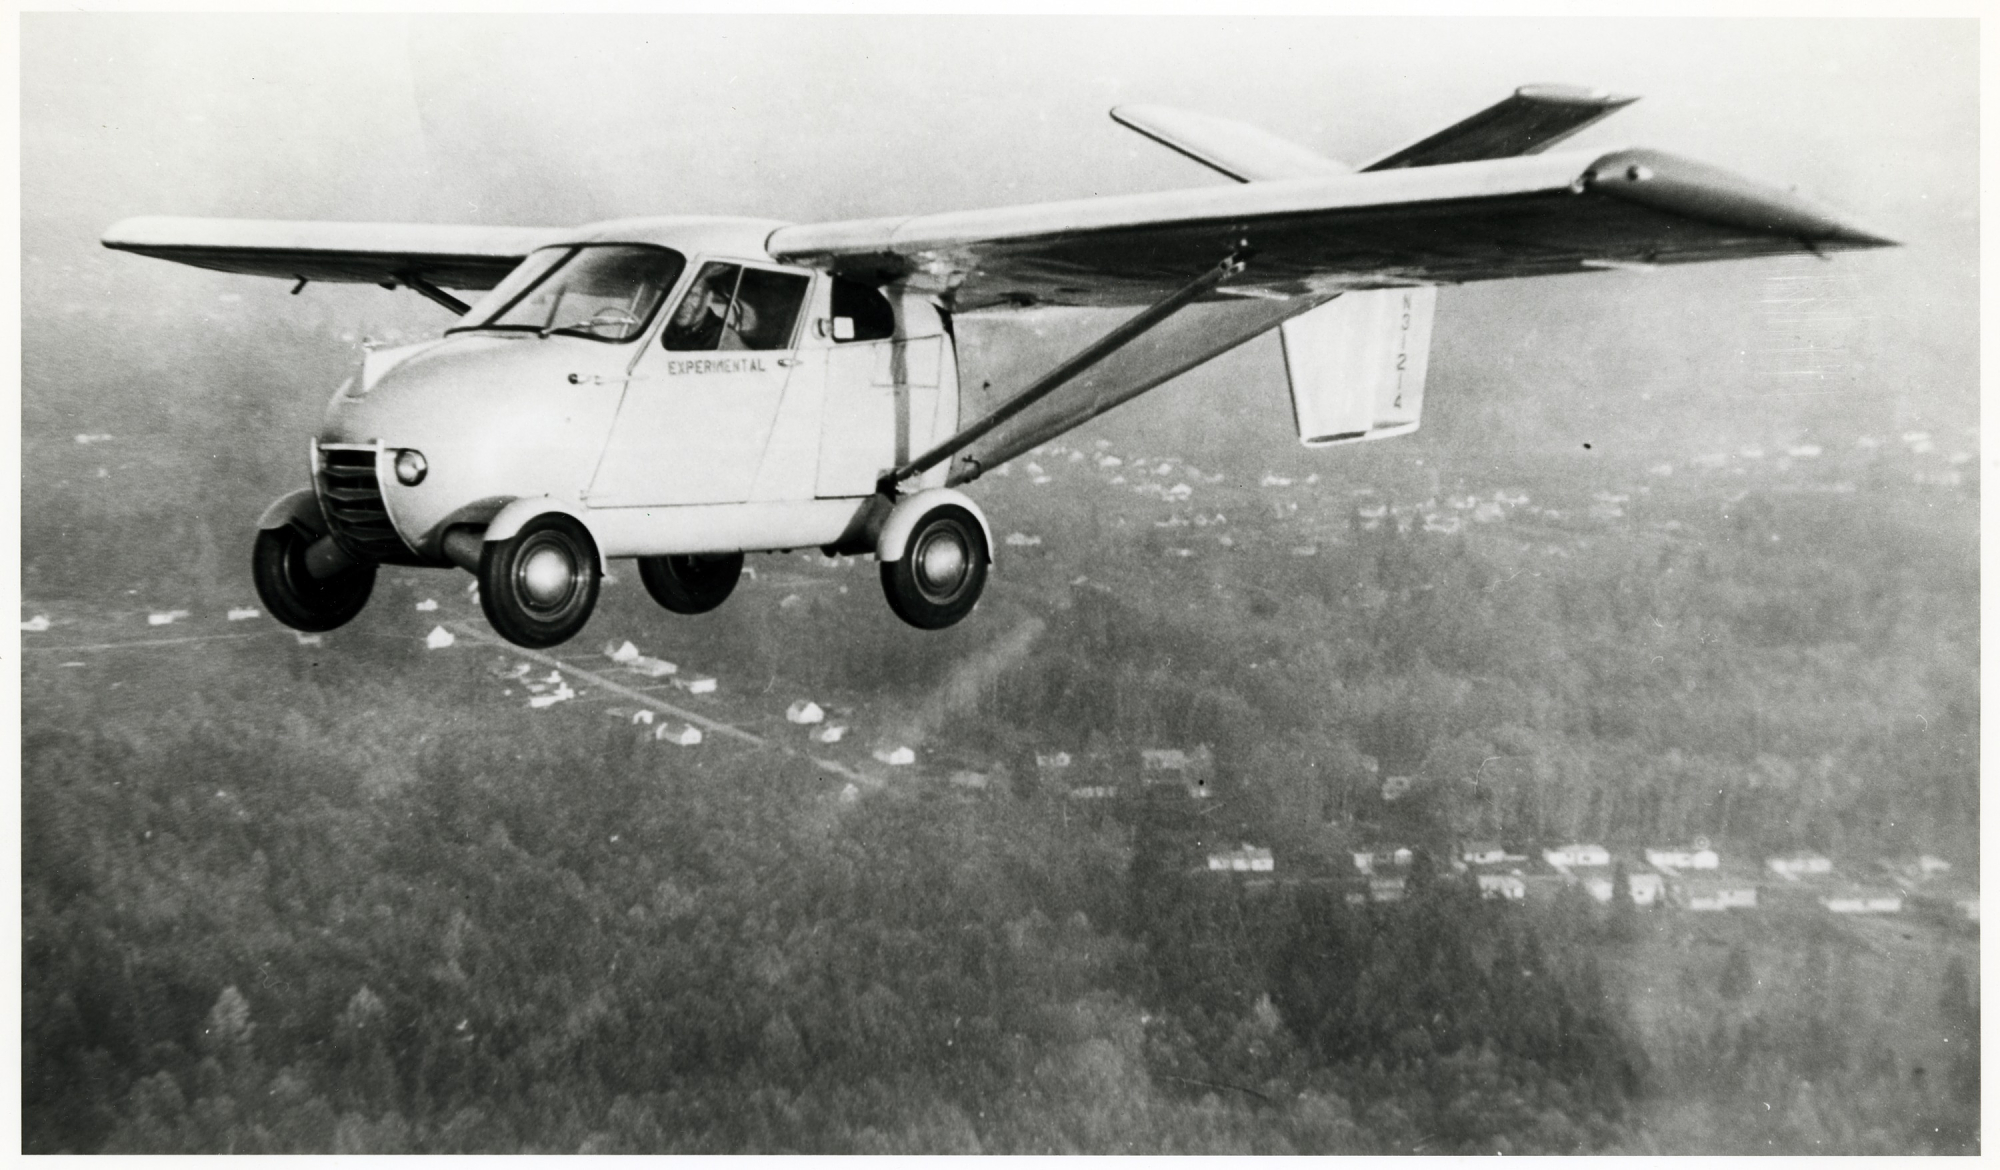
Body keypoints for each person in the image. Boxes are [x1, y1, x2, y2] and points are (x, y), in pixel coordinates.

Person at [660, 268, 738, 351]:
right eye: (677, 294)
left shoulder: (724, 338)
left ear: (709, 298)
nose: (682, 303)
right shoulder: (664, 329)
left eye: (693, 295)